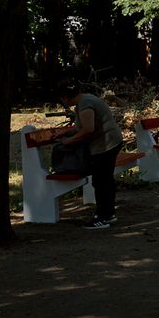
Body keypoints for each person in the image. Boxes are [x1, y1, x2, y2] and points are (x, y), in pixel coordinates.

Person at [55, 78, 124, 230]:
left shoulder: (85, 104)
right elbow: (82, 126)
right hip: (110, 142)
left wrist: (69, 140)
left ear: (65, 97)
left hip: (105, 145)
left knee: (101, 181)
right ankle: (109, 214)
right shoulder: (86, 100)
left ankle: (102, 217)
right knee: (105, 180)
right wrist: (65, 132)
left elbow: (88, 129)